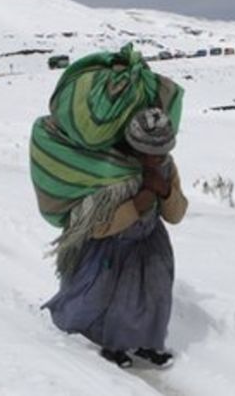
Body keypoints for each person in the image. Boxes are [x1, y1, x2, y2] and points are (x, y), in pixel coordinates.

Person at [43, 107, 188, 368]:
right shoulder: (109, 168)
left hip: (150, 239)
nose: (155, 160)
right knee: (106, 295)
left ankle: (148, 343)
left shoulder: (166, 167)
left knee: (155, 293)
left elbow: (176, 214)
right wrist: (137, 204)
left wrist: (165, 190)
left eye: (160, 154)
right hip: (109, 245)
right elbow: (94, 224)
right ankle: (111, 345)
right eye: (148, 155)